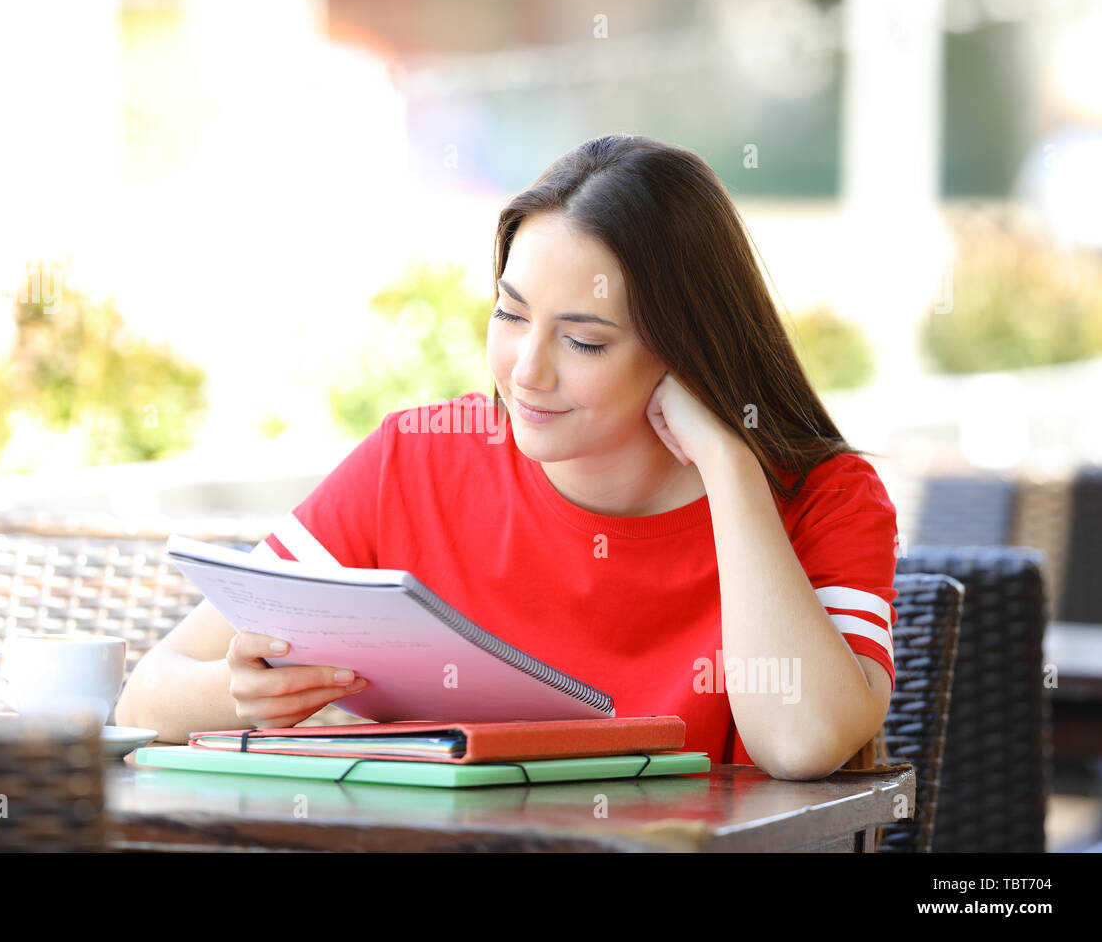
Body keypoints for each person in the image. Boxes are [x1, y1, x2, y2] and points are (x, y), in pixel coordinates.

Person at [116, 134, 899, 780]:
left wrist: (729, 468)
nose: (526, 370)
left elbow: (800, 743)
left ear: (686, 350)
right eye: (510, 314)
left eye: (584, 340)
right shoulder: (417, 459)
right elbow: (145, 699)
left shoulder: (825, 499)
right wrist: (243, 693)